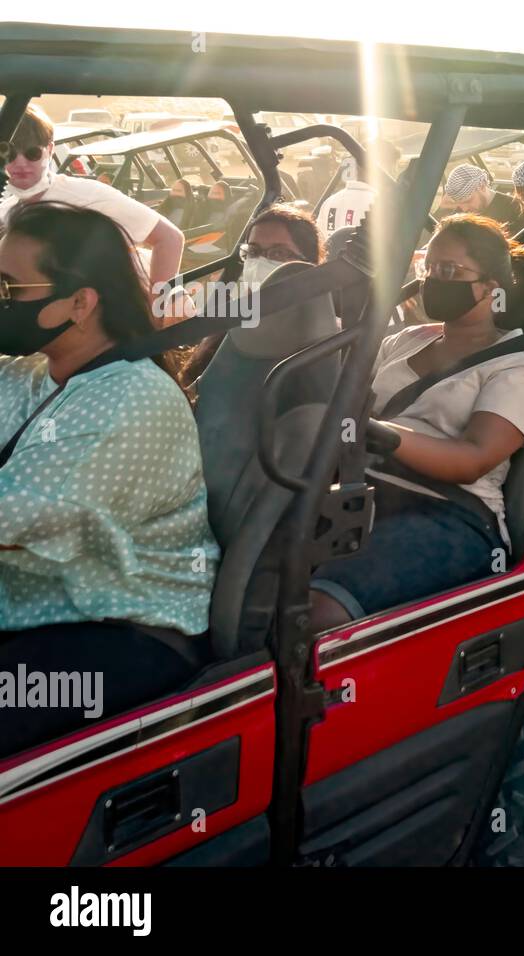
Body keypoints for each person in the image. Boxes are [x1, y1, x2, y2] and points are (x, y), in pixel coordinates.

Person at [0, 203, 220, 757]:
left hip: (120, 622)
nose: (2, 302)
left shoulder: (132, 400)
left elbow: (15, 518)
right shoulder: (28, 371)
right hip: (31, 603)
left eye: (11, 288)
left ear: (80, 302)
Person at [309, 214, 524, 629]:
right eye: (430, 267)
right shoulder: (406, 340)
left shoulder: (517, 367)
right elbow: (349, 400)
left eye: (450, 271)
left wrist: (381, 433)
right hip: (364, 492)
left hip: (452, 515)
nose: (434, 279)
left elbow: (473, 458)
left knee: (322, 611)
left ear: (492, 288)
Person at [0, 105, 184, 293]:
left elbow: (170, 238)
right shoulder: (6, 213)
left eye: (32, 153)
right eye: (11, 154)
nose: (21, 163)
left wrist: (157, 308)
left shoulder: (87, 195)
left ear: (50, 149)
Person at [179, 204, 326, 391]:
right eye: (253, 252)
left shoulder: (323, 339)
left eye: (278, 253)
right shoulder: (229, 321)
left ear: (308, 264)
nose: (259, 263)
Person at [316, 139, 400, 241]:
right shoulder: (382, 206)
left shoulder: (329, 203)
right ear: (380, 167)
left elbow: (318, 246)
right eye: (394, 167)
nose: (394, 173)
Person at [442, 163, 524, 235]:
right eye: (459, 204)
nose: (464, 209)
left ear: (482, 186)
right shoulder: (457, 218)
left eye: (468, 201)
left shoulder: (517, 209)